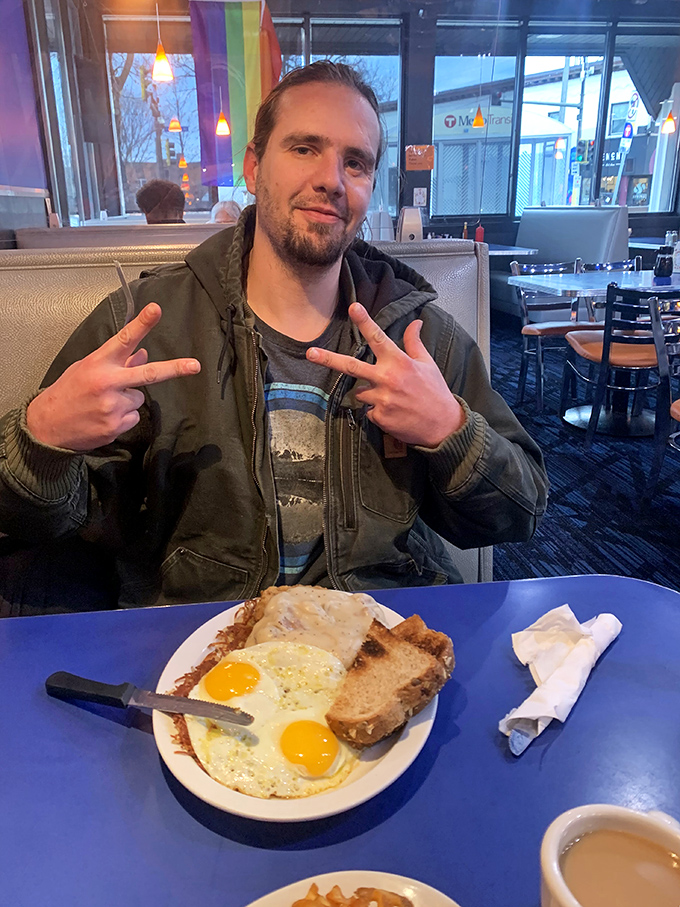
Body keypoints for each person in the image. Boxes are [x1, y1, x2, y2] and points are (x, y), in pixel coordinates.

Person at [0, 62, 548, 610]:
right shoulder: (142, 324)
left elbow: (519, 511)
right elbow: (45, 529)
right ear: (254, 166)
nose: (332, 179)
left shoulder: (416, 333)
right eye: (305, 148)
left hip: (380, 634)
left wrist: (449, 430)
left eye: (354, 162)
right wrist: (42, 441)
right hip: (202, 639)